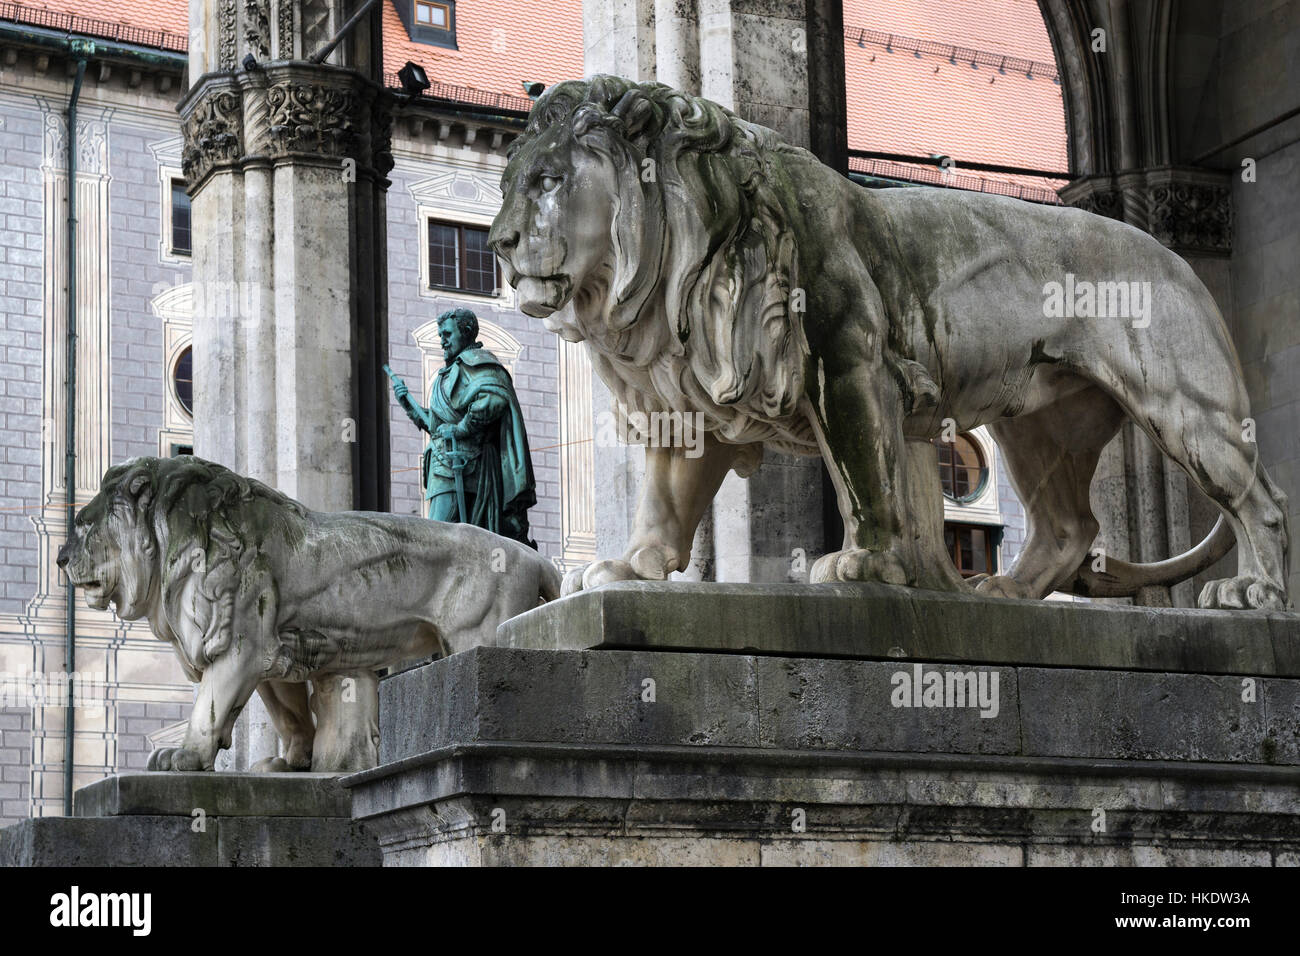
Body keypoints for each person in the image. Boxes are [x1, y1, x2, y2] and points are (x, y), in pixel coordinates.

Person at [389, 308, 537, 547]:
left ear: (466, 332)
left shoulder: (481, 364)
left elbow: (494, 400)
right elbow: (438, 427)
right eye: (440, 335)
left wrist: (461, 429)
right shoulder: (445, 374)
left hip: (465, 465)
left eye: (447, 333)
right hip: (442, 465)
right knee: (443, 535)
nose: (442, 340)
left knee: (439, 538)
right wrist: (409, 404)